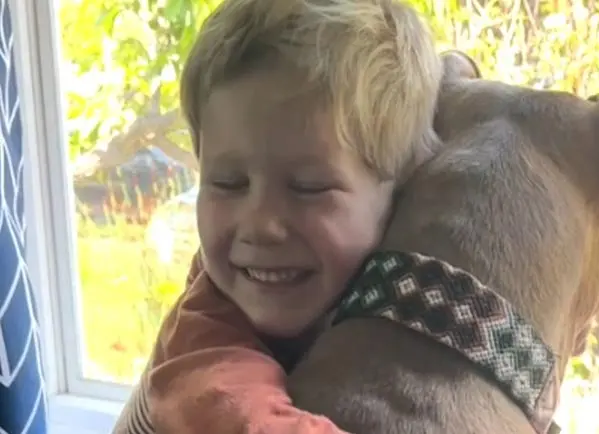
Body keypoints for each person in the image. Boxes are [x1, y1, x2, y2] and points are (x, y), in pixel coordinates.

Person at [111, 0, 443, 432]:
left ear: (402, 187)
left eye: (308, 187)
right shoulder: (204, 345)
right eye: (228, 183)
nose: (261, 225)